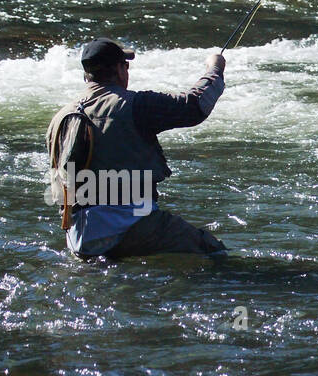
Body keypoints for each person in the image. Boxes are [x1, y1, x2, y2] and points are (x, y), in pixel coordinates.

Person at [45, 37, 228, 260]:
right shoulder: (135, 105)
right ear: (120, 70)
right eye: (126, 65)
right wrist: (215, 68)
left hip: (79, 236)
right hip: (128, 225)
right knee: (213, 253)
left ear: (87, 75)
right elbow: (194, 106)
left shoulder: (59, 118)